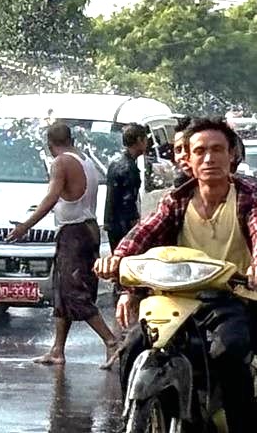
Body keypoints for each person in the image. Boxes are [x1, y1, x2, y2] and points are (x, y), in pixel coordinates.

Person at [96, 117, 257, 429]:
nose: (209, 158)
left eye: (217, 150)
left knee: (229, 350)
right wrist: (116, 259)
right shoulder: (175, 201)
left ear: (232, 155)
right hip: (174, 301)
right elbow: (142, 236)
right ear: (188, 159)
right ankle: (136, 413)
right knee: (131, 347)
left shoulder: (249, 199)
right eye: (200, 151)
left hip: (230, 300)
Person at [7, 123, 118, 367]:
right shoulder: (85, 159)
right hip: (89, 228)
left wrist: (25, 225)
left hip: (73, 233)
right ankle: (58, 349)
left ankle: (111, 341)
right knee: (62, 293)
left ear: (49, 143)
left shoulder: (60, 163)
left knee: (74, 292)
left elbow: (51, 197)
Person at [105, 124, 148, 301]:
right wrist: (134, 226)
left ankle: (121, 291)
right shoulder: (128, 168)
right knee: (127, 263)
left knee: (120, 262)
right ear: (138, 141)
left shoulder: (116, 163)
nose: (147, 144)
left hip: (112, 222)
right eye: (145, 140)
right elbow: (127, 201)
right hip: (122, 224)